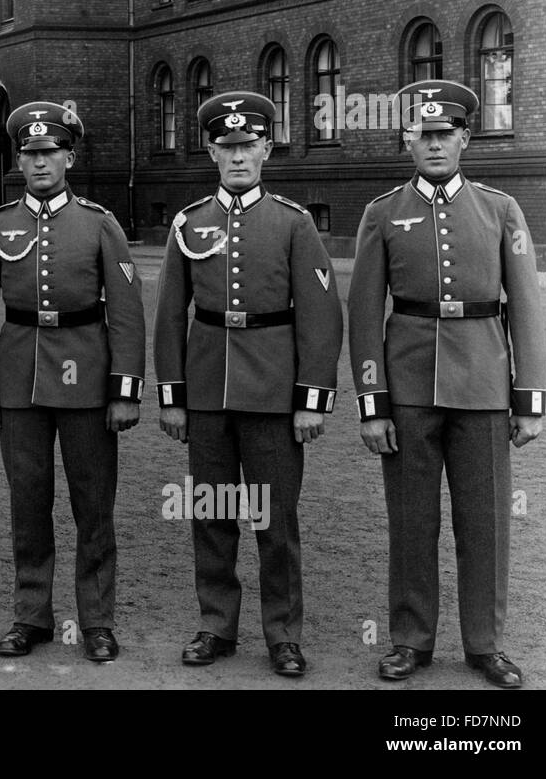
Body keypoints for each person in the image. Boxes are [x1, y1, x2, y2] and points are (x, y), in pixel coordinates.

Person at [348, 79, 546, 689]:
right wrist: (372, 404)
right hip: (407, 387)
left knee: (484, 520)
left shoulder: (500, 209)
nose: (434, 144)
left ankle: (485, 644)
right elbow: (364, 311)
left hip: (484, 385)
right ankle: (410, 640)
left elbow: (527, 307)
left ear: (464, 137)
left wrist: (528, 399)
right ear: (407, 141)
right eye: (422, 135)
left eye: (444, 134)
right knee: (411, 519)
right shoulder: (382, 213)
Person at [154, 91, 342, 678]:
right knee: (211, 513)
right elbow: (168, 316)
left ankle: (283, 634)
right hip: (208, 391)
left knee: (275, 519)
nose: (238, 157)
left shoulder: (293, 222)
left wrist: (311, 400)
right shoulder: (190, 223)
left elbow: (320, 314)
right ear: (212, 151)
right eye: (227, 147)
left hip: (273, 394)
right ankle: (215, 625)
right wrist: (174, 397)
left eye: (248, 146)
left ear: (266, 148)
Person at [0, 101, 144, 662]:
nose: (40, 162)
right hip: (20, 380)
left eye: (50, 152)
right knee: (28, 502)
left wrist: (124, 390)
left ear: (69, 156)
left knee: (93, 505)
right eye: (30, 152)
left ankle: (96, 619)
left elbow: (127, 313)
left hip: (88, 382)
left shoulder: (98, 223)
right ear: (19, 160)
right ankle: (31, 615)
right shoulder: (0, 224)